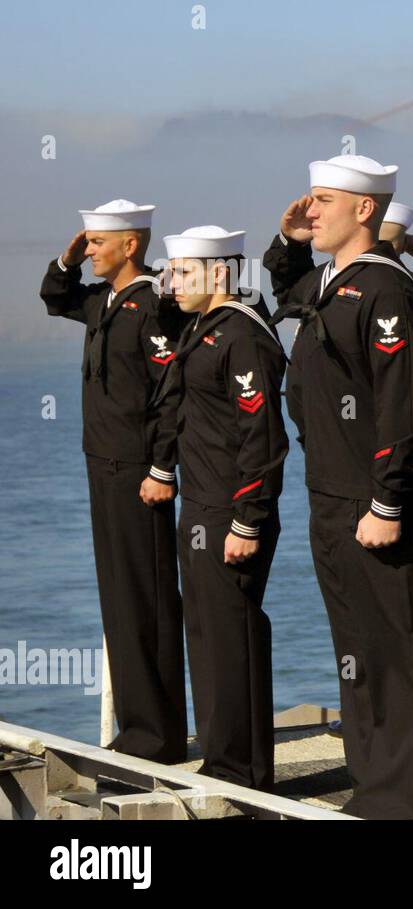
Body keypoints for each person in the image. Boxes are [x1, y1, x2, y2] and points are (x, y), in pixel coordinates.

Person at [263, 155, 413, 819]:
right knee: (357, 650)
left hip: (375, 500)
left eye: (323, 199)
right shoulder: (333, 281)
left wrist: (386, 501)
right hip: (332, 493)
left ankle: (397, 802)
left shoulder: (383, 289)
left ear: (365, 208)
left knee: (394, 652)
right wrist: (287, 239)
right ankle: (374, 790)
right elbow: (284, 290)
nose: (311, 209)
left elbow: (402, 404)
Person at [39, 199, 187, 763]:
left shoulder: (154, 304)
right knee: (121, 600)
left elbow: (170, 394)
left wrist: (160, 467)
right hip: (102, 465)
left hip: (138, 472)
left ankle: (159, 736)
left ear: (131, 245)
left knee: (147, 598)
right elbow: (55, 299)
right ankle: (138, 730)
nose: (90, 247)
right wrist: (68, 258)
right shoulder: (103, 299)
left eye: (99, 240)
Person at [151, 226, 287, 790]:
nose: (170, 282)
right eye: (171, 269)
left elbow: (262, 436)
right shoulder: (204, 328)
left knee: (232, 637)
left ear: (220, 275)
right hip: (201, 504)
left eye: (183, 272)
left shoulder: (242, 336)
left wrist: (247, 520)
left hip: (230, 511)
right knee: (206, 634)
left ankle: (242, 770)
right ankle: (220, 759)